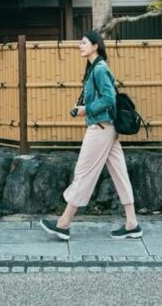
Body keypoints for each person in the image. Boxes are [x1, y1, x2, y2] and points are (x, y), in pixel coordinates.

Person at [40, 30, 141, 241]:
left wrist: (87, 109)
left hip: (101, 129)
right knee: (120, 174)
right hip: (107, 128)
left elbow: (110, 99)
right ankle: (132, 224)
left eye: (84, 42)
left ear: (95, 45)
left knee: (83, 173)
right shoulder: (94, 68)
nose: (80, 45)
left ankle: (64, 223)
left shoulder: (100, 69)